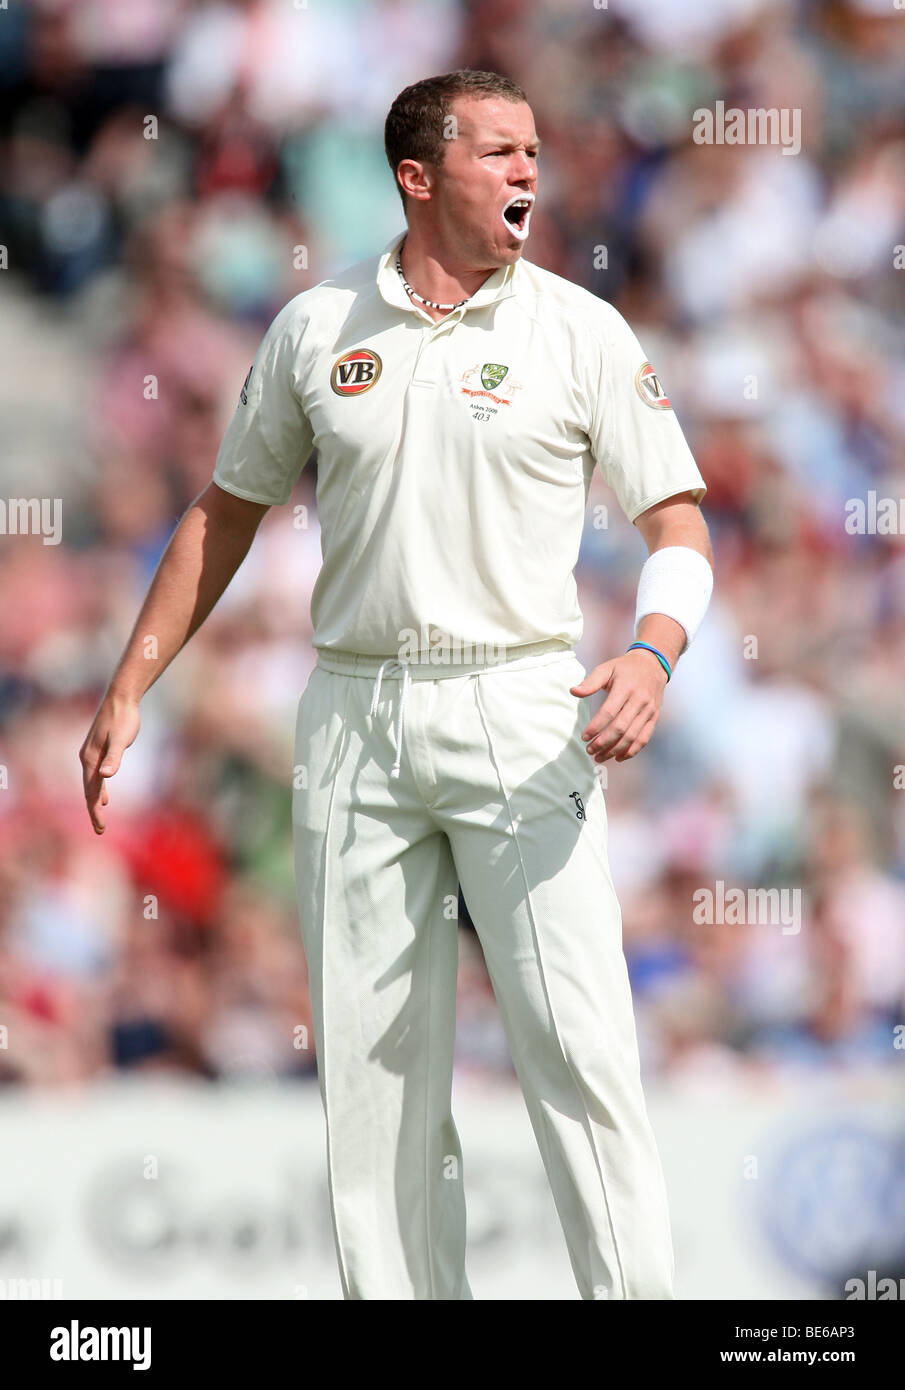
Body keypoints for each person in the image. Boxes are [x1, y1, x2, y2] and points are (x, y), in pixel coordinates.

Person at [80, 69, 714, 1300]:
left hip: (524, 706)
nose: (530, 172)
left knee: (576, 1049)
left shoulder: (578, 331)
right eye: (499, 153)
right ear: (417, 177)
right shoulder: (318, 329)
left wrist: (649, 652)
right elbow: (224, 511)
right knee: (374, 1082)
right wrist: (129, 684)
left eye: (535, 151)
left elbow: (678, 529)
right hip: (354, 715)